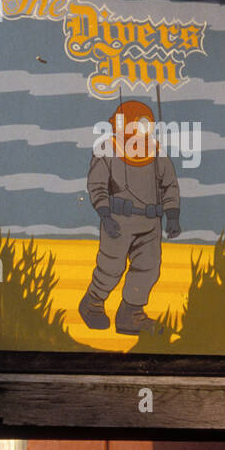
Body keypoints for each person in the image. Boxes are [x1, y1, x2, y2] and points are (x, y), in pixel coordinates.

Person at [78, 100, 180, 335]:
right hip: (118, 220)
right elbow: (97, 186)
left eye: (144, 124)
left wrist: (172, 215)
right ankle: (93, 302)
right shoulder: (107, 149)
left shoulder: (155, 152)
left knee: (148, 267)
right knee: (111, 266)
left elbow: (170, 185)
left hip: (151, 222)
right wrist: (105, 214)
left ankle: (131, 314)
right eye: (134, 123)